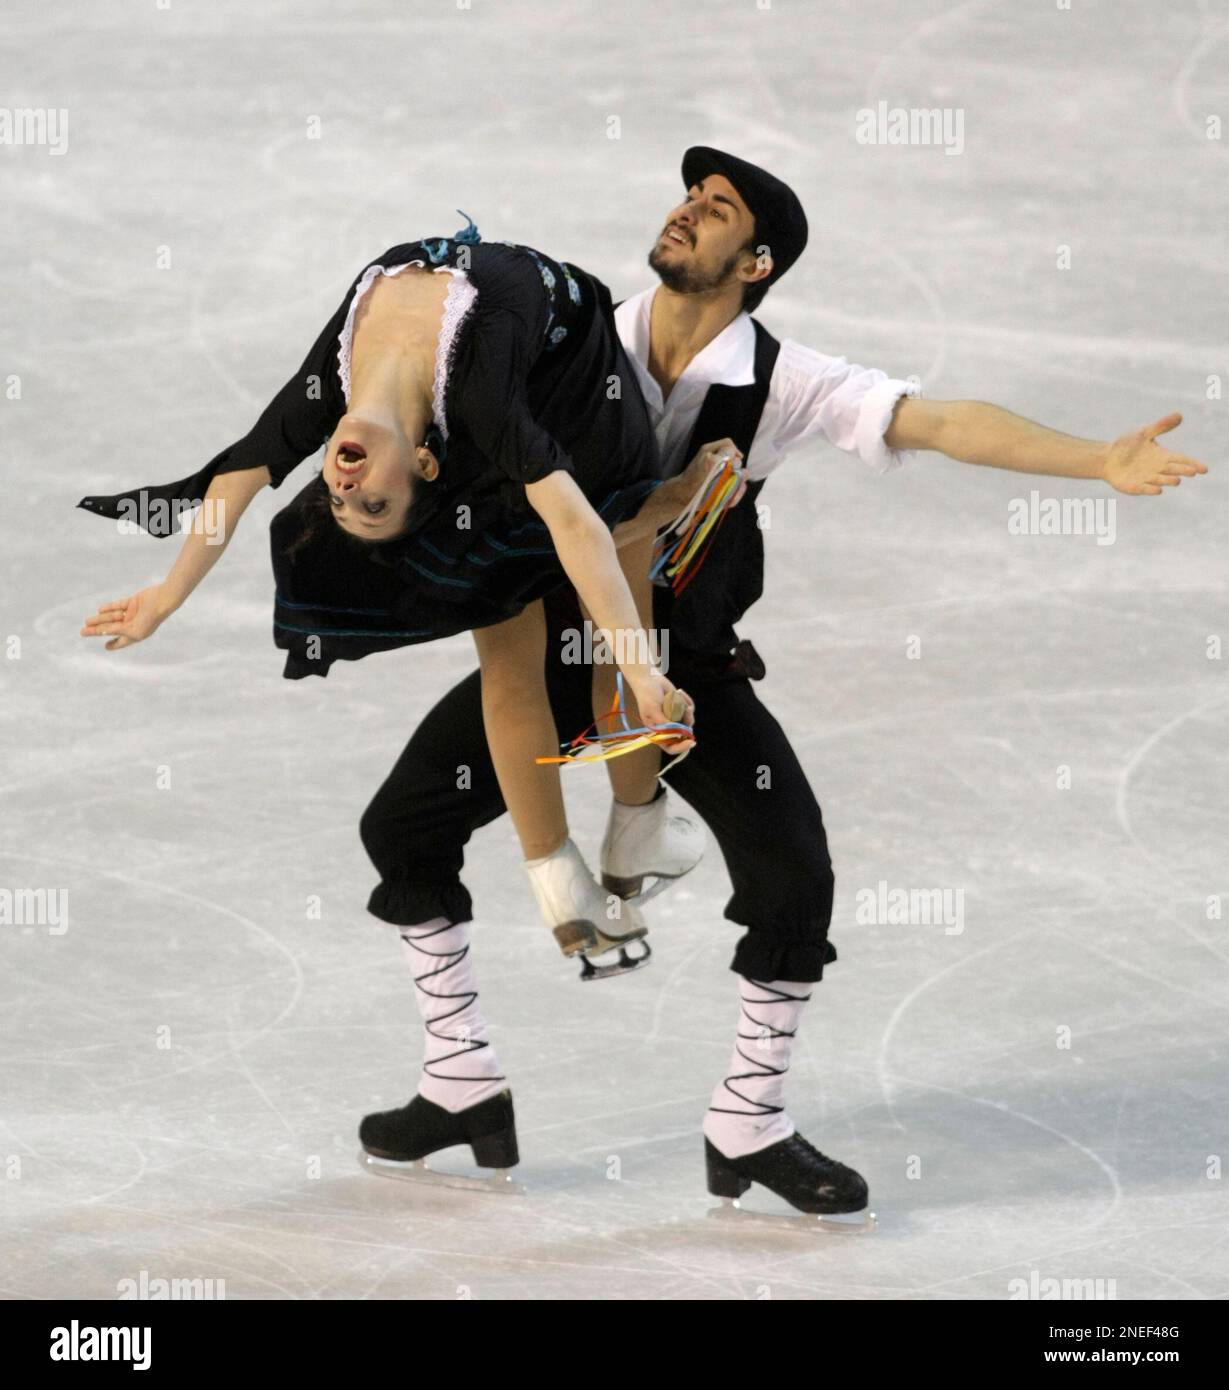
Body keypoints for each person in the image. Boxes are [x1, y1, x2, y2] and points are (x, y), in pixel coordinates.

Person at [353, 150, 1210, 1219]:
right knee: (404, 826)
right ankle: (459, 1082)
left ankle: (746, 1123)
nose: (685, 212)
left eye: (715, 212)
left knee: (795, 877)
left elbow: (939, 421)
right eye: (686, 197)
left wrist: (1095, 461)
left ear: (753, 264)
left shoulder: (783, 384)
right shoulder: (565, 341)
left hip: (686, 677)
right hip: (551, 659)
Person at [76, 221, 708, 984]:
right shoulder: (481, 397)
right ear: (419, 463)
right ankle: (608, 849)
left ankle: (597, 855)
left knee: (538, 613)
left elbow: (238, 479)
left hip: (523, 394)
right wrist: (647, 677)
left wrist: (169, 594)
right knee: (603, 594)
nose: (343, 491)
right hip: (585, 400)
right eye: (372, 506)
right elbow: (574, 524)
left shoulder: (326, 394)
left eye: (340, 503)